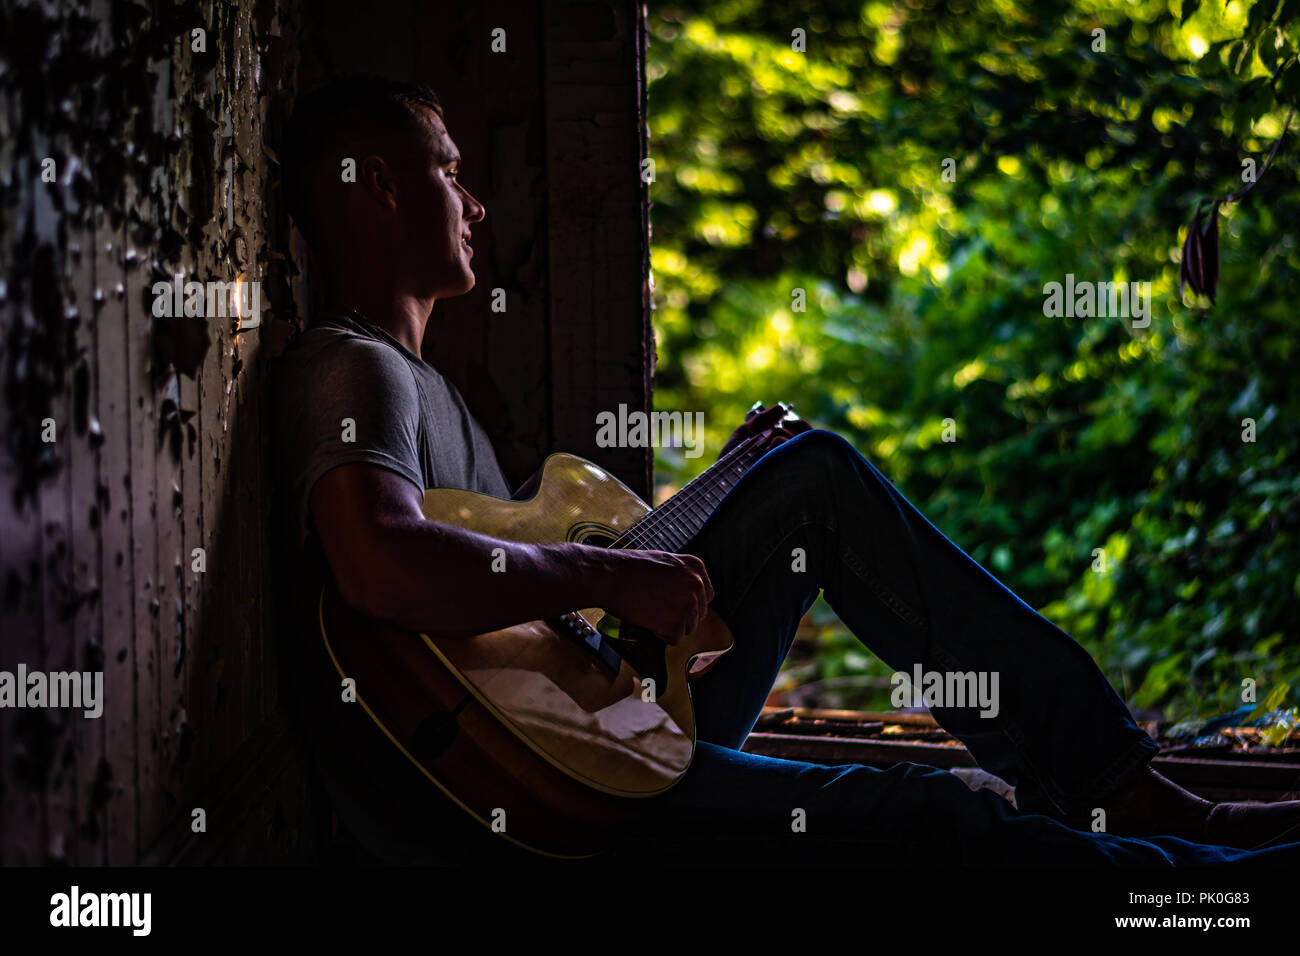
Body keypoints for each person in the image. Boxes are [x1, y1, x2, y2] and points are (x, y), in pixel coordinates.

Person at [272, 76, 1300, 866]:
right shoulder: (352, 362)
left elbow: (533, 636)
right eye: (451, 172)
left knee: (803, 476)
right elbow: (381, 563)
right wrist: (609, 576)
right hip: (520, 800)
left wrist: (706, 504)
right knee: (929, 813)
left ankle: (1123, 786)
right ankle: (1193, 870)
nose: (477, 204)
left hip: (579, 736)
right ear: (380, 190)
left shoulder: (420, 385)